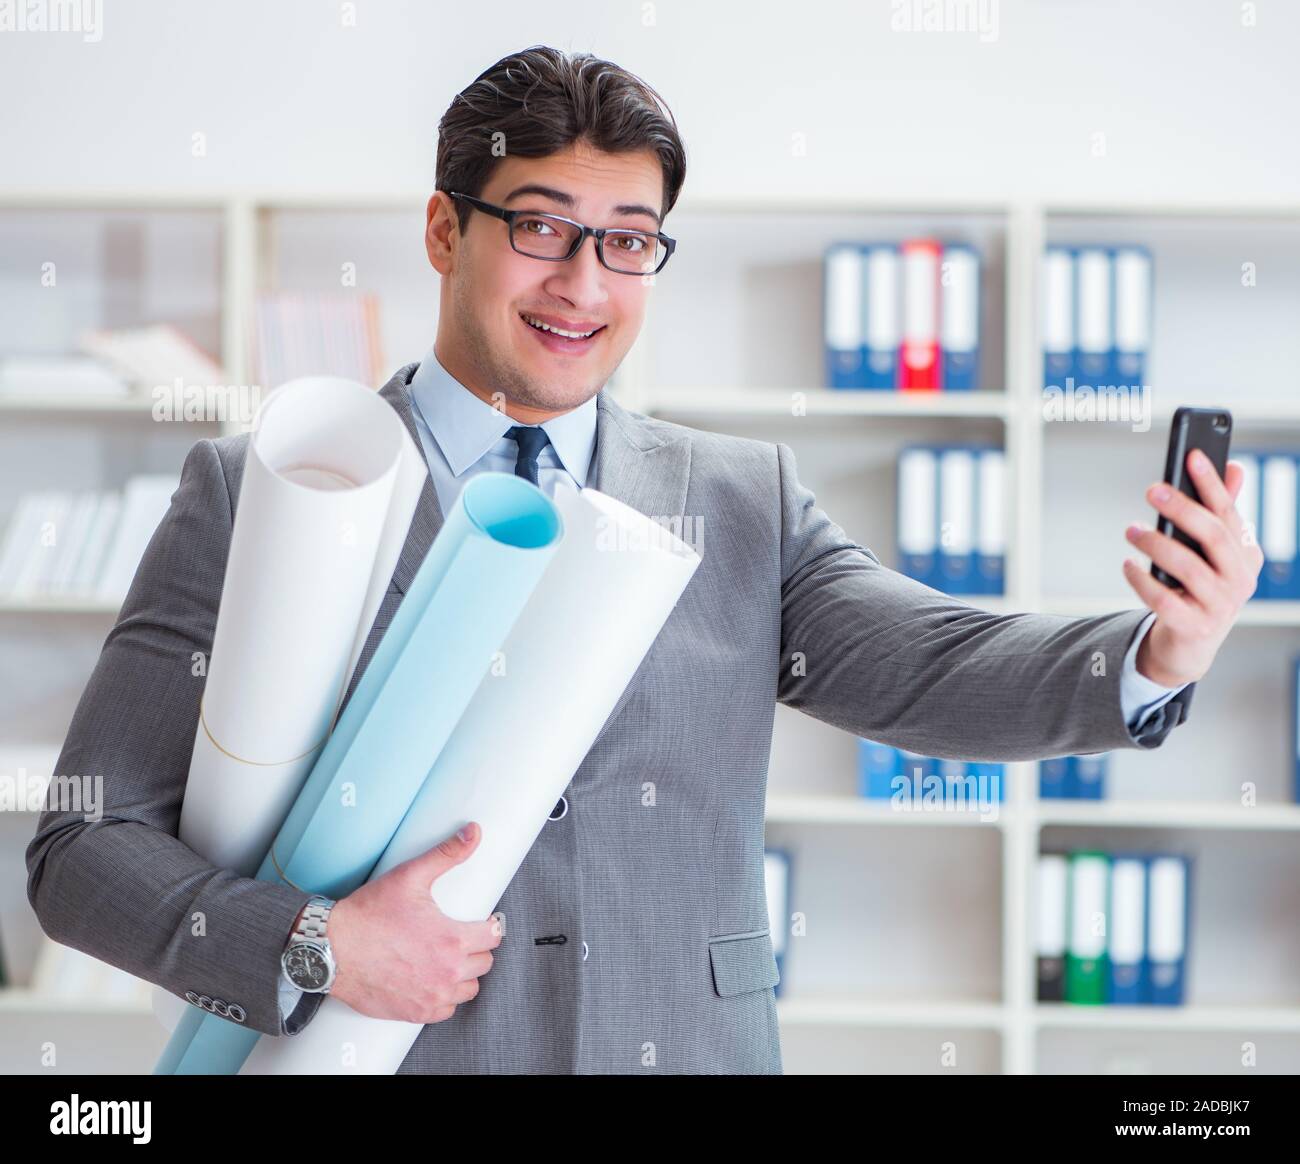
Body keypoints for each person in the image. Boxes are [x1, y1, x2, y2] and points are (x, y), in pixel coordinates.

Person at [27, 45, 1262, 1074]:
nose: (582, 284)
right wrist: (317, 944)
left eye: (628, 241)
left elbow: (931, 667)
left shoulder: (736, 499)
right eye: (541, 227)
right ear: (443, 230)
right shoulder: (273, 490)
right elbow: (82, 852)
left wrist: (1157, 648)